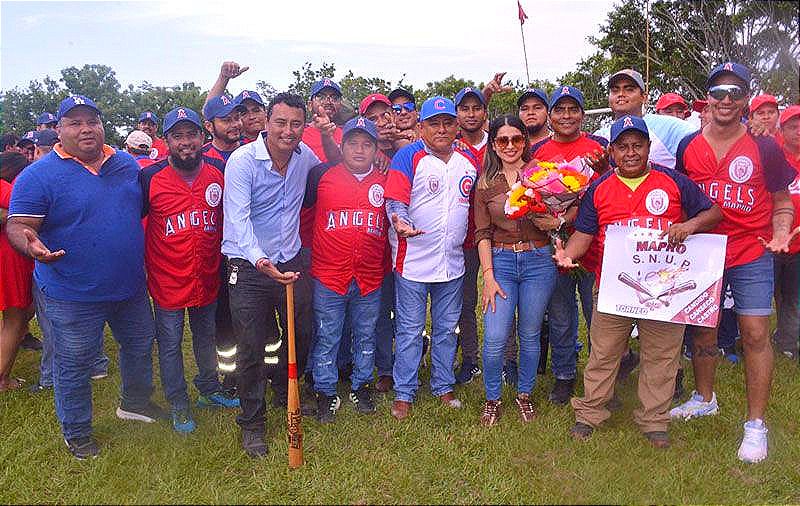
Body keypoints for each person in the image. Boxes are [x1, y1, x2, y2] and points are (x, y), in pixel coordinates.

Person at [7, 95, 163, 460]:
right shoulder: (38, 175)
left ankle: (135, 404)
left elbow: (134, 210)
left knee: (140, 347)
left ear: (102, 125)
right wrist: (30, 245)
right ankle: (76, 431)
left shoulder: (125, 164)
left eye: (91, 120)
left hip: (129, 287)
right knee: (73, 363)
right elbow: (19, 225)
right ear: (58, 130)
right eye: (74, 122)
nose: (85, 128)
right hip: (71, 292)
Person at [554, 115, 721, 448]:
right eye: (622, 147)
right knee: (603, 353)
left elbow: (714, 213)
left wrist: (689, 226)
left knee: (661, 354)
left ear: (648, 147)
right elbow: (584, 235)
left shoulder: (673, 181)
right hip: (615, 285)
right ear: (612, 150)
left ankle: (654, 420)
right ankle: (590, 413)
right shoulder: (600, 188)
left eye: (637, 145)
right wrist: (567, 255)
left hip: (665, 288)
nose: (630, 153)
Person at [670, 62, 798, 463]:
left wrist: (781, 231)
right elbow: (680, 198)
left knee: (756, 333)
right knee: (702, 331)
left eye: (735, 92)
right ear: (708, 96)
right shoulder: (688, 144)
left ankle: (755, 425)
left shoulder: (765, 146)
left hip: (750, 249)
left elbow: (781, 201)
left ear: (745, 98)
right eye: (719, 91)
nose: (726, 99)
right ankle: (704, 398)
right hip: (704, 251)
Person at [222, 92, 320, 458]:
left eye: (296, 124)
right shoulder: (242, 161)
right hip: (250, 266)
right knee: (251, 346)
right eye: (281, 122)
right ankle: (252, 422)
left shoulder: (304, 158)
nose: (288, 131)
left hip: (290, 259)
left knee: (301, 332)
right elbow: (238, 219)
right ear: (266, 122)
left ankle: (285, 390)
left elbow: (329, 163)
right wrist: (263, 262)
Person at [141, 106, 240, 434]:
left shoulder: (218, 169)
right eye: (177, 136)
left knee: (206, 335)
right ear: (166, 140)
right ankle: (179, 402)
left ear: (203, 135)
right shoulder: (149, 177)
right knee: (170, 343)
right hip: (168, 276)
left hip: (207, 272)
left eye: (191, 134)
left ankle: (209, 389)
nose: (186, 142)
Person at [384, 96, 478, 420]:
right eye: (434, 123)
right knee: (410, 330)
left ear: (456, 126)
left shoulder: (467, 162)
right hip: (413, 261)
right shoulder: (408, 156)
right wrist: (399, 220)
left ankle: (443, 385)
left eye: (448, 122)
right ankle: (404, 391)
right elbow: (394, 201)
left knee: (446, 328)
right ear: (422, 127)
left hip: (451, 262)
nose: (442, 129)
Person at [473, 114, 556, 426]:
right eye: (502, 140)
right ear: (493, 145)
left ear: (526, 140)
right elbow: (482, 233)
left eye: (516, 139)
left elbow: (557, 216)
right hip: (502, 262)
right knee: (495, 337)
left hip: (538, 261)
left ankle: (524, 395)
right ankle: (492, 398)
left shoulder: (544, 177)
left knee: (530, 334)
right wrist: (489, 276)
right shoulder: (484, 185)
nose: (510, 146)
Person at [305, 116, 387, 422]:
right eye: (353, 143)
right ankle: (325, 390)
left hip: (368, 275)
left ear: (376, 149)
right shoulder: (321, 176)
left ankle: (361, 384)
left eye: (367, 144)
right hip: (329, 273)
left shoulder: (384, 180)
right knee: (328, 334)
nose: (359, 150)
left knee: (365, 334)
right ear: (342, 145)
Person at [530, 85, 608, 405]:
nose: (566, 116)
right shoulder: (538, 151)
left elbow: (611, 188)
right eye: (559, 110)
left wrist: (603, 170)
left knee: (598, 316)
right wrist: (544, 218)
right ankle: (564, 375)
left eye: (572, 109)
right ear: (550, 116)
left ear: (582, 114)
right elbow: (529, 194)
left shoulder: (598, 147)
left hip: (593, 245)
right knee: (561, 314)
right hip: (555, 245)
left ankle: (601, 376)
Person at [453, 86, 489, 385]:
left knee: (500, 299)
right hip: (462, 237)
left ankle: (506, 360)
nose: (470, 113)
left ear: (484, 111)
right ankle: (470, 359)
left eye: (476, 107)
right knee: (464, 302)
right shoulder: (448, 146)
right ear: (457, 115)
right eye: (464, 108)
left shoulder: (500, 141)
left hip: (496, 234)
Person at [0, 152, 34, 392]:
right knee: (15, 319)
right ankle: (2, 379)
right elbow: (27, 206)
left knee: (17, 317)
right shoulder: (5, 187)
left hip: (9, 254)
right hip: (11, 257)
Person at [773, 105, 800, 360]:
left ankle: (787, 341)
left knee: (793, 296)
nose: (799, 131)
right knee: (768, 294)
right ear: (782, 130)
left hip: (799, 245)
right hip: (769, 242)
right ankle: (745, 338)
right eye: (793, 126)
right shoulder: (774, 158)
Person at [303, 78, 344, 163]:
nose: (328, 102)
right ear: (310, 105)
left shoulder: (348, 134)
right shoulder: (298, 134)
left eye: (334, 98)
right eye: (321, 97)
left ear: (340, 105)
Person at [201, 95, 242, 166]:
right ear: (209, 126)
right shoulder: (201, 158)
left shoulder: (251, 150)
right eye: (227, 120)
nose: (235, 124)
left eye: (237, 118)